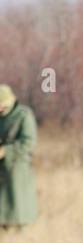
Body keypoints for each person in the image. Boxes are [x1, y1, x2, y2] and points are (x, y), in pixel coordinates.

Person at [0, 85, 37, 231]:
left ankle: (21, 230)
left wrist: (6, 151)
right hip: (1, 168)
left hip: (18, 166)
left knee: (18, 202)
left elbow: (29, 143)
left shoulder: (23, 115)